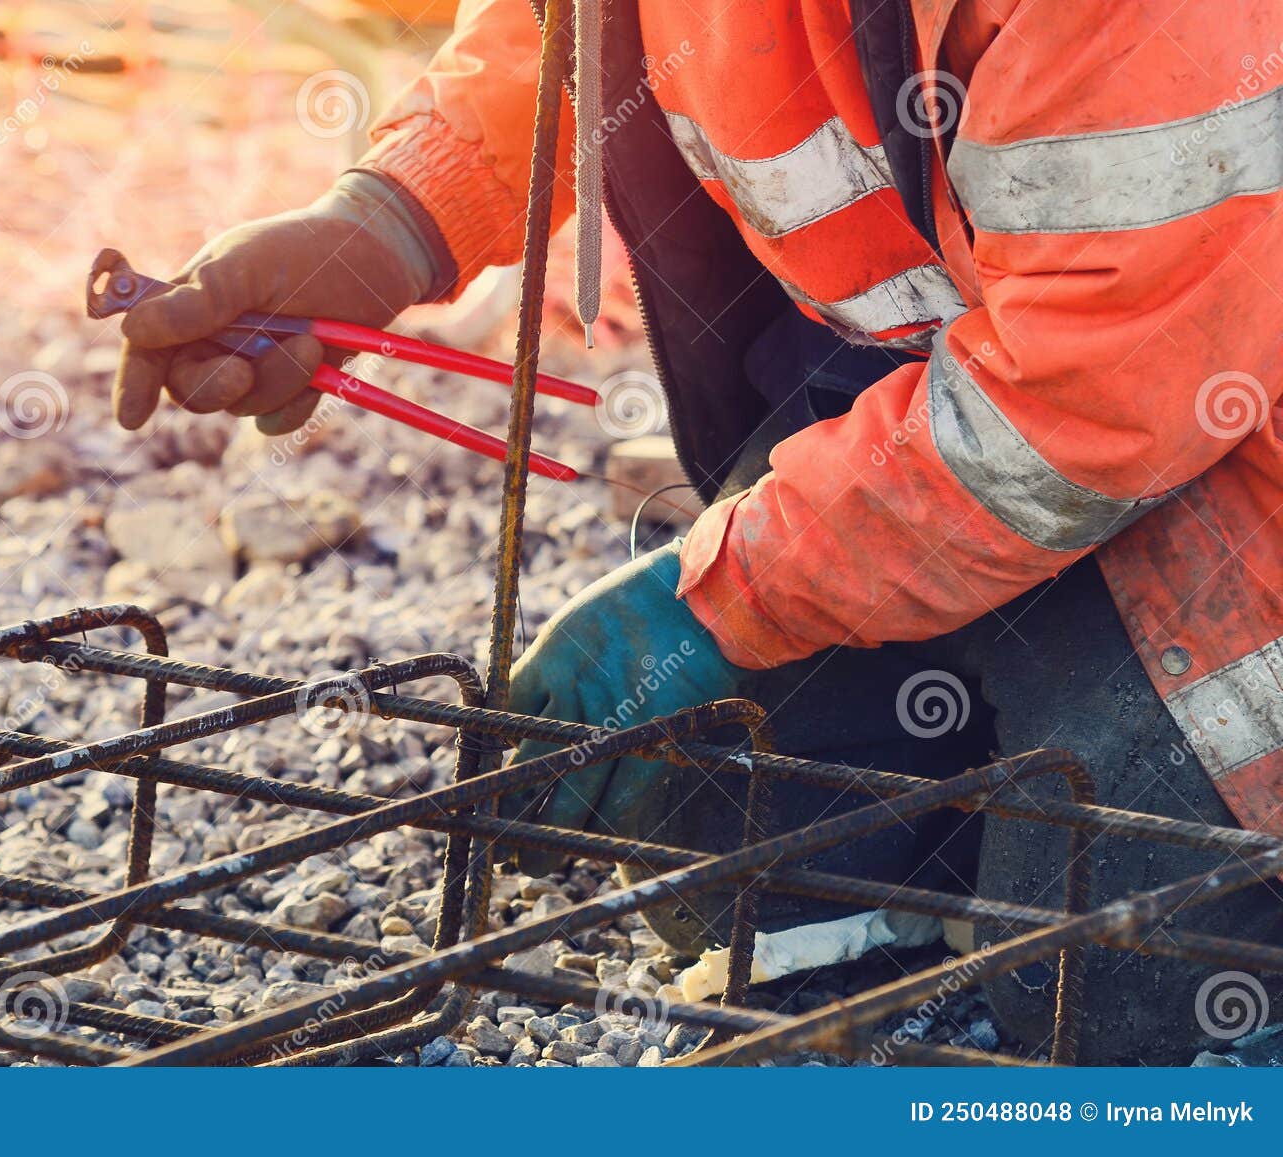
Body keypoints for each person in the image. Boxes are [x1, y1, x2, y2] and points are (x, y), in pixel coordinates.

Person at [109, 1, 1283, 1063]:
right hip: (954, 409)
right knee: (727, 838)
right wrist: (382, 225)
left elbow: (1091, 391)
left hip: (1225, 474)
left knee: (1112, 990)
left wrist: (729, 591)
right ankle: (963, 826)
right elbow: (573, 33)